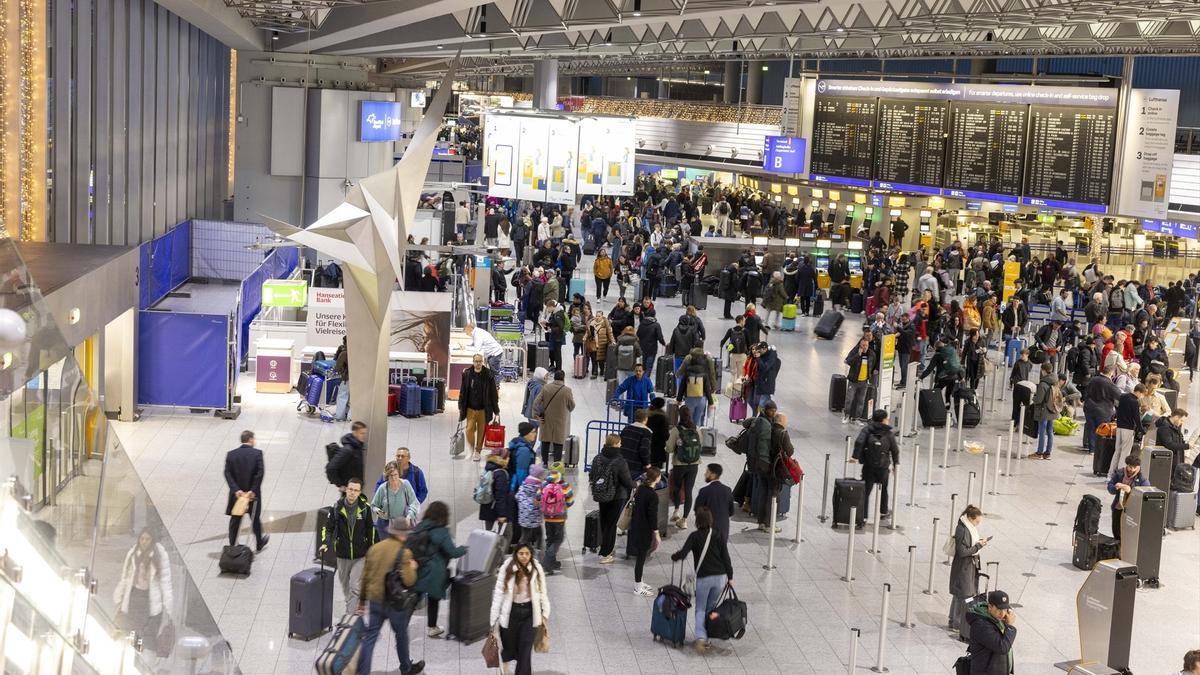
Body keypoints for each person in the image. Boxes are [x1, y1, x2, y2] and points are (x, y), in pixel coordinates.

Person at [356, 518, 424, 675]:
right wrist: (412, 567)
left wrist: (361, 601)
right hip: (395, 604)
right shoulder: (404, 553)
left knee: (370, 637)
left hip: (374, 601)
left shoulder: (374, 549)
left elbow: (365, 577)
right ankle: (406, 668)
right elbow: (409, 580)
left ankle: (362, 673)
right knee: (401, 635)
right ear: (401, 535)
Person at [669, 506, 734, 655]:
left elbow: (683, 553)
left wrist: (674, 557)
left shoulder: (694, 536)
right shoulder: (718, 535)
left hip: (704, 578)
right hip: (720, 577)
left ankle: (700, 637)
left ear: (697, 521)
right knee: (711, 609)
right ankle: (708, 639)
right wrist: (730, 577)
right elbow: (726, 557)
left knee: (700, 609)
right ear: (711, 520)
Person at [320, 477, 379, 614]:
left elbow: (371, 530)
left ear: (359, 492)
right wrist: (325, 543)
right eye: (350, 489)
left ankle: (350, 616)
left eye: (356, 490)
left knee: (354, 585)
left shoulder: (365, 509)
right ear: (346, 489)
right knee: (346, 586)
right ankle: (353, 605)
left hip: (360, 555)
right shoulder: (337, 508)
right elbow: (328, 528)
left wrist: (372, 549)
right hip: (342, 554)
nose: (352, 493)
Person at [490, 544, 551, 675]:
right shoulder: (507, 567)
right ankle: (505, 668)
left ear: (531, 555)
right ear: (516, 554)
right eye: (521, 553)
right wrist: (493, 618)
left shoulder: (536, 568)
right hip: (510, 613)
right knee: (509, 647)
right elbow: (498, 593)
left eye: (527, 554)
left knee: (525, 649)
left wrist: (545, 613)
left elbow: (542, 591)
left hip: (530, 614)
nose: (524, 556)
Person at [412, 501, 467, 638]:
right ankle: (432, 627)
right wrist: (464, 549)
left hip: (419, 568)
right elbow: (452, 552)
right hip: (435, 571)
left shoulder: (420, 526)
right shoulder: (442, 532)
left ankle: (401, 622)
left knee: (414, 598)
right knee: (433, 600)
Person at [113, 528, 174, 636]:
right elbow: (126, 576)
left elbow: (166, 582)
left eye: (147, 539)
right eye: (142, 538)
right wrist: (118, 595)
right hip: (134, 596)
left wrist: (169, 608)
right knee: (129, 630)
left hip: (149, 598)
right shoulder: (133, 553)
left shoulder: (159, 555)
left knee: (145, 633)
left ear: (152, 540)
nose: (144, 541)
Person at [590, 433, 636, 564]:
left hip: (601, 494)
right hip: (616, 496)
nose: (621, 445)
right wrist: (635, 484)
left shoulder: (597, 458)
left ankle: (605, 546)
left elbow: (592, 475)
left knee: (604, 522)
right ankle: (605, 553)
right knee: (611, 525)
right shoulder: (620, 461)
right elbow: (627, 482)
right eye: (620, 443)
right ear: (616, 444)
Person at [224, 430, 269, 551]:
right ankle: (259, 543)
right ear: (250, 439)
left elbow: (227, 473)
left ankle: (233, 544)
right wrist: (252, 490)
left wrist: (236, 490)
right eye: (254, 439)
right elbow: (260, 473)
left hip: (237, 496)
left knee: (235, 520)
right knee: (255, 519)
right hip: (252, 496)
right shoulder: (257, 454)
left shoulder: (231, 454)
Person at [948, 505, 990, 632]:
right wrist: (978, 546)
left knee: (960, 593)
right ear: (971, 518)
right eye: (977, 521)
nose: (977, 524)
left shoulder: (968, 527)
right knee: (964, 594)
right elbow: (962, 551)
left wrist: (978, 543)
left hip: (968, 566)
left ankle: (953, 621)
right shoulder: (962, 529)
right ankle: (957, 623)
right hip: (963, 567)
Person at [852, 409, 900, 516]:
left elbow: (859, 442)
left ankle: (862, 515)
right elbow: (895, 450)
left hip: (868, 466)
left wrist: (855, 457)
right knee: (884, 490)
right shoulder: (888, 434)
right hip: (883, 468)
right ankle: (883, 511)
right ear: (883, 420)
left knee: (866, 491)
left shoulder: (867, 430)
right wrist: (896, 465)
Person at [666, 406, 703, 530]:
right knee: (688, 491)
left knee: (676, 488)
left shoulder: (676, 430)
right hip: (694, 464)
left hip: (679, 465)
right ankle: (685, 520)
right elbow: (700, 445)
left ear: (679, 416)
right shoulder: (696, 429)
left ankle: (676, 511)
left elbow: (670, 448)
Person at [460, 353, 501, 461]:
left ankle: (477, 451)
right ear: (473, 362)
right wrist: (461, 406)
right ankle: (471, 447)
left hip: (484, 409)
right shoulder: (467, 374)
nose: (478, 363)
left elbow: (493, 393)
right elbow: (463, 391)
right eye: (476, 361)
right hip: (470, 408)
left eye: (480, 361)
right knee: (469, 429)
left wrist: (496, 410)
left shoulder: (488, 375)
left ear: (482, 362)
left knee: (481, 431)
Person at [965, 590, 1018, 675]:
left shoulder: (997, 620)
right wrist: (1010, 627)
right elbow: (1002, 647)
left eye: (1005, 609)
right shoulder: (981, 625)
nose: (1002, 613)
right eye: (999, 609)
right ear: (990, 607)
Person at [629, 467, 663, 596]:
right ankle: (638, 587)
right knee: (641, 559)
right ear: (656, 479)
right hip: (644, 530)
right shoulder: (652, 495)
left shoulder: (641, 489)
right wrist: (657, 533)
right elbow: (652, 516)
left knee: (641, 557)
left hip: (636, 526)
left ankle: (640, 581)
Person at [532, 369, 576, 464]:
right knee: (558, 443)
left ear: (554, 377)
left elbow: (536, 402)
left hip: (546, 419)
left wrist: (536, 415)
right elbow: (572, 406)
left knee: (545, 441)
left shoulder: (546, 388)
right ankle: (557, 464)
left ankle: (544, 463)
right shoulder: (567, 390)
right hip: (560, 421)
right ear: (563, 378)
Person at [370, 462, 420, 540]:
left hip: (402, 523)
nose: (393, 478)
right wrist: (379, 511)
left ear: (399, 474)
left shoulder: (405, 485)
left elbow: (413, 502)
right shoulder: (382, 488)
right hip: (385, 524)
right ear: (387, 476)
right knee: (388, 549)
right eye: (391, 475)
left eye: (395, 475)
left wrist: (409, 516)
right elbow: (373, 505)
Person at [539, 463, 575, 574]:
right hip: (559, 518)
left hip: (547, 517)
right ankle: (546, 562)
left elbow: (537, 497)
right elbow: (570, 501)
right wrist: (563, 507)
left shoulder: (544, 483)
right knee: (558, 539)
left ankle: (552, 562)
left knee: (550, 539)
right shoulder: (564, 485)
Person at [1107, 455, 1149, 542]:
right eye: (1130, 467)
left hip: (1132, 512)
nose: (1132, 470)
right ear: (1127, 465)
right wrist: (1116, 487)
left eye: (1134, 467)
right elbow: (1110, 487)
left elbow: (1145, 497)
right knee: (1116, 531)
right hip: (1118, 507)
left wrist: (1131, 491)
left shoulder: (1142, 480)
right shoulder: (1119, 473)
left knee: (1127, 536)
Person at [1027, 362, 1062, 459]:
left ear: (1043, 370)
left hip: (1044, 410)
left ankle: (1039, 452)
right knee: (1050, 431)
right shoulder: (1055, 381)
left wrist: (1033, 397)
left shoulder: (1043, 383)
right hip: (1053, 409)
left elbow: (1039, 400)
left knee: (1042, 431)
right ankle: (1048, 453)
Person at [479, 447, 517, 531]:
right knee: (505, 535)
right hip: (496, 508)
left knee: (488, 533)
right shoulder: (501, 473)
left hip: (487, 505)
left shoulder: (488, 468)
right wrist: (502, 514)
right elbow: (500, 495)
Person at [1112, 384, 1147, 474]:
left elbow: (1117, 408)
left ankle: (1110, 473)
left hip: (1119, 427)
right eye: (1142, 394)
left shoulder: (1123, 396)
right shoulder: (1135, 402)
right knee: (1125, 453)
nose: (1141, 397)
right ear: (1139, 392)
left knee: (1117, 451)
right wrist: (1141, 430)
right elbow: (1136, 418)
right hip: (1128, 429)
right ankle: (1120, 474)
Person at [694, 463, 734, 541]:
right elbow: (731, 511)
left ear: (713, 474)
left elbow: (697, 509)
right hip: (723, 530)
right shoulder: (727, 490)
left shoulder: (704, 491)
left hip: (707, 530)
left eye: (707, 472)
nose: (705, 474)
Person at [844, 337, 878, 423]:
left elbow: (873, 364)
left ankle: (857, 418)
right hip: (853, 381)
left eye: (866, 345)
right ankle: (846, 416)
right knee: (849, 399)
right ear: (860, 345)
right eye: (863, 345)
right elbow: (848, 361)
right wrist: (857, 355)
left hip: (864, 382)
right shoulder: (856, 352)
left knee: (861, 401)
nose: (864, 347)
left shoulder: (871, 354)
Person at [326, 421, 368, 492]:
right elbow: (330, 468)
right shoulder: (348, 450)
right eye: (361, 433)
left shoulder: (357, 446)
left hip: (356, 488)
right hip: (349, 490)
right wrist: (340, 485)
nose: (364, 436)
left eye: (365, 433)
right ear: (354, 433)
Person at [515, 464, 546, 549]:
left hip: (523, 516)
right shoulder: (539, 487)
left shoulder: (524, 485)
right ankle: (537, 551)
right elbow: (541, 501)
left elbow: (517, 496)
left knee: (525, 535)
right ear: (539, 475)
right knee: (538, 534)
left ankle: (522, 550)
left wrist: (523, 506)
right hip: (534, 517)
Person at [720, 315, 750, 379]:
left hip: (733, 355)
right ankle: (738, 388)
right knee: (740, 374)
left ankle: (730, 387)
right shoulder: (745, 331)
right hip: (742, 355)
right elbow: (749, 344)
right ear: (741, 321)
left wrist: (725, 346)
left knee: (732, 374)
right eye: (744, 321)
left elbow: (723, 341)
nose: (744, 322)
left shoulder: (731, 330)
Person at [333, 337, 351, 421]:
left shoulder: (344, 353)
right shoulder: (360, 351)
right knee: (354, 398)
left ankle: (340, 416)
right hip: (359, 379)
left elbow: (337, 368)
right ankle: (351, 417)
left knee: (342, 396)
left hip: (347, 378)